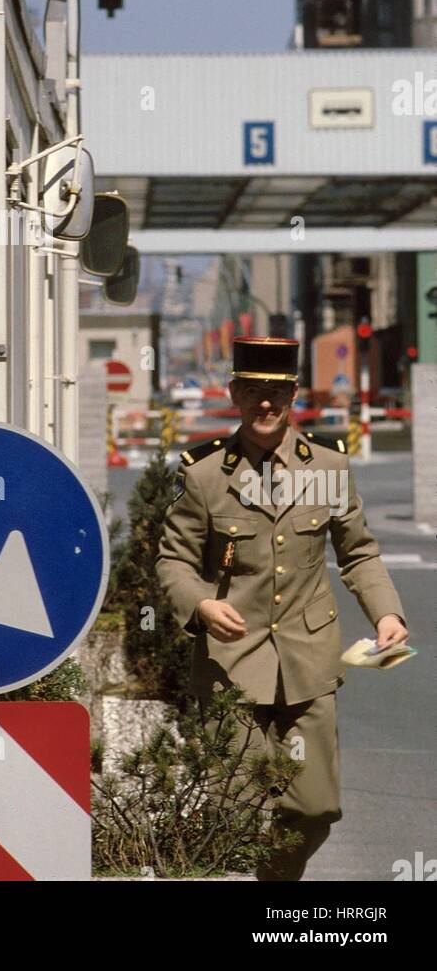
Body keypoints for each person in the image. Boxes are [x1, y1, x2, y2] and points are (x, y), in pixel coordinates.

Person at [156, 335, 409, 881]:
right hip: (231, 664)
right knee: (238, 806)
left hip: (309, 663)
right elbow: (173, 561)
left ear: (293, 394)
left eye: (276, 392)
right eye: (252, 391)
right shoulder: (204, 474)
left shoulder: (328, 468)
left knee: (314, 806)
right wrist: (200, 604)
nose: (264, 404)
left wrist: (386, 613)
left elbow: (358, 550)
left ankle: (276, 883)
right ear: (235, 393)